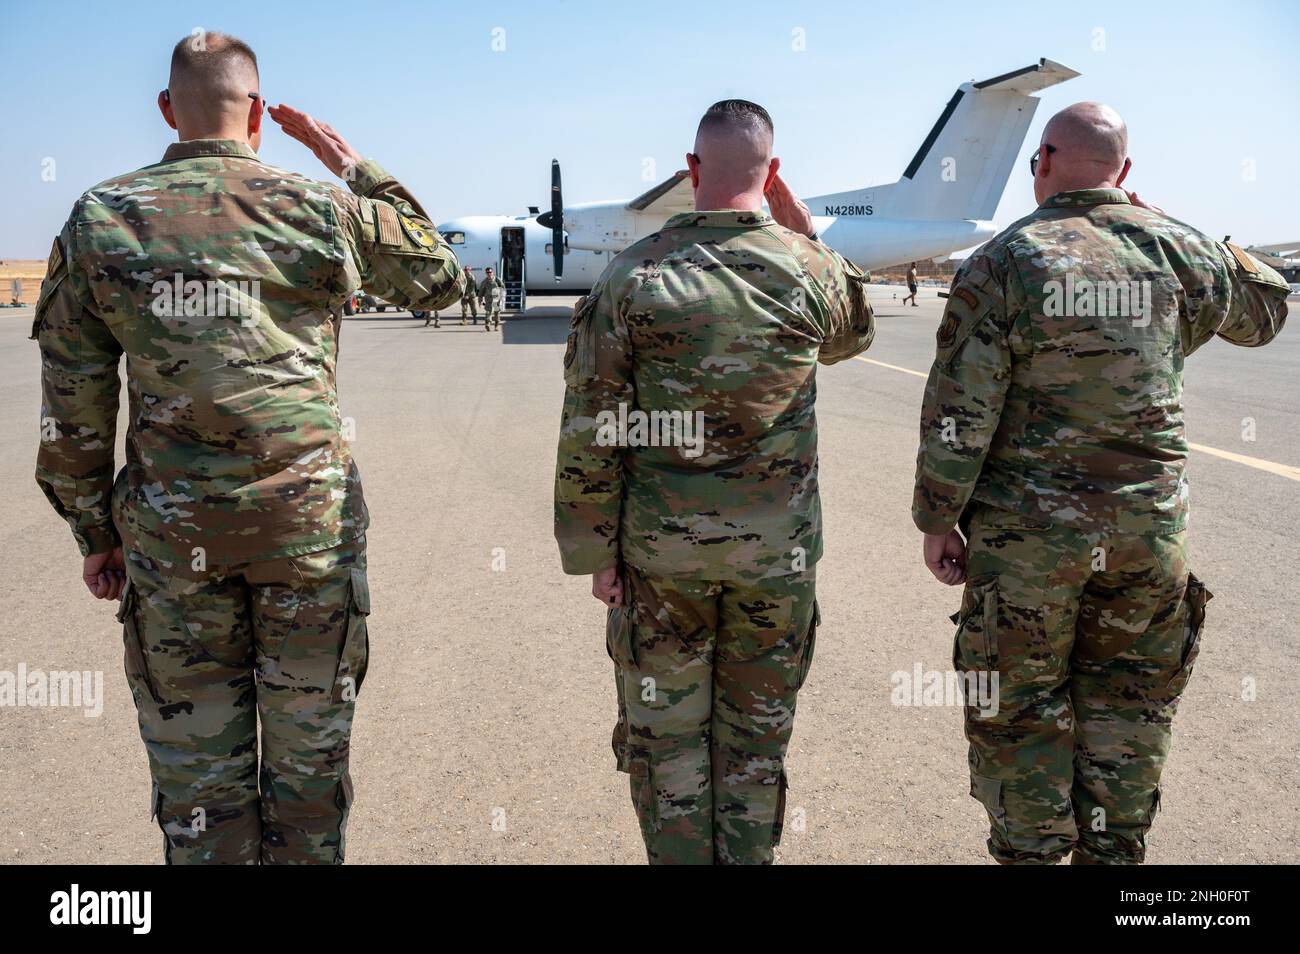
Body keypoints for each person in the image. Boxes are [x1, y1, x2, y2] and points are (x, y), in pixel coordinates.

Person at [31, 31, 463, 864]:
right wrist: (354, 165)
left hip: (169, 542)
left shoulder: (102, 218)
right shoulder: (318, 204)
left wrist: (95, 533)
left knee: (198, 783)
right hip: (307, 535)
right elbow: (440, 275)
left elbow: (72, 402)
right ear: (260, 113)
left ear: (166, 109)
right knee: (308, 775)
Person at [912, 102, 1289, 865]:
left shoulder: (1006, 259)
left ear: (1043, 160)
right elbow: (1267, 309)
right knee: (1131, 706)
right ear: (1125, 172)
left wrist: (938, 517)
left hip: (1029, 544)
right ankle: (1114, 857)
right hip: (1146, 537)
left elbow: (960, 410)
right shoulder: (1172, 247)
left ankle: (1032, 853)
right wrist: (1177, 227)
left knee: (1017, 707)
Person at [553, 99, 874, 864]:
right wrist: (795, 221)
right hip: (777, 559)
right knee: (755, 741)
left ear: (691, 170)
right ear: (772, 174)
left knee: (668, 744)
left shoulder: (634, 274)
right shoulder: (810, 268)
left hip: (664, 559)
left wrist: (595, 550)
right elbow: (855, 331)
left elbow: (593, 424)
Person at [479, 266, 504, 330]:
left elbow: (502, 288)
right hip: (488, 298)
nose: (489, 273)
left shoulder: (497, 280)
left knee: (497, 312)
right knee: (488, 312)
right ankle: (488, 324)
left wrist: (502, 298)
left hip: (496, 298)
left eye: (490, 272)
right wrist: (480, 300)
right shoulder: (484, 281)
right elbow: (481, 291)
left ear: (492, 272)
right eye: (487, 272)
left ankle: (496, 325)